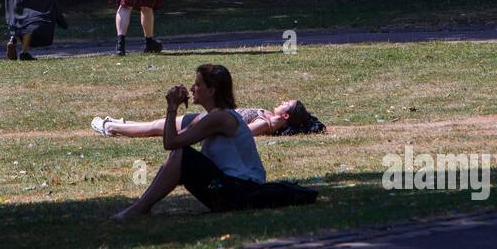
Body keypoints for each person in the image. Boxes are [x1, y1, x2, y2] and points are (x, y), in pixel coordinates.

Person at [113, 64, 270, 219]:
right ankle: (141, 206)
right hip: (229, 188)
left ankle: (141, 207)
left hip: (243, 190)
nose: (192, 88)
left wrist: (172, 108)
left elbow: (171, 143)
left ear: (211, 90)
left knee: (182, 153)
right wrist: (172, 108)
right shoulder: (208, 117)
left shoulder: (221, 117)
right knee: (180, 153)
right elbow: (172, 141)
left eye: (198, 84)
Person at [91, 99, 325, 137]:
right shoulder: (269, 118)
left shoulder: (266, 123)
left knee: (157, 127)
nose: (283, 99)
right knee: (160, 124)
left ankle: (110, 128)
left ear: (285, 114)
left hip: (206, 122)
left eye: (287, 102)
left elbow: (242, 133)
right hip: (209, 117)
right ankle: (124, 124)